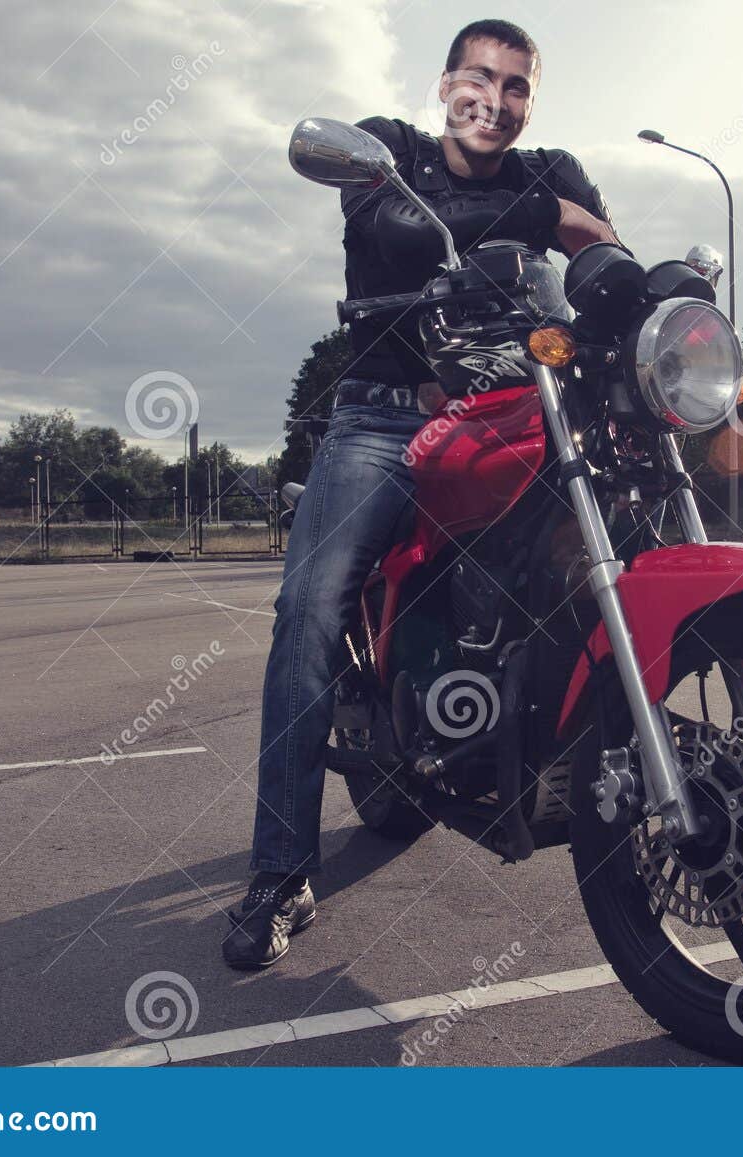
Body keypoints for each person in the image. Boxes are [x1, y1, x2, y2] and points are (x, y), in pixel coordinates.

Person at [224, 18, 618, 969]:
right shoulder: (390, 153)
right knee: (309, 607)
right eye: (478, 77)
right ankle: (280, 872)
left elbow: (603, 260)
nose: (497, 97)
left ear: (531, 103)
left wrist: (651, 286)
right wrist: (544, 221)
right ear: (446, 86)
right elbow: (394, 233)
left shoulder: (556, 164)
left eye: (517, 85)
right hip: (384, 419)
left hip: (520, 412)